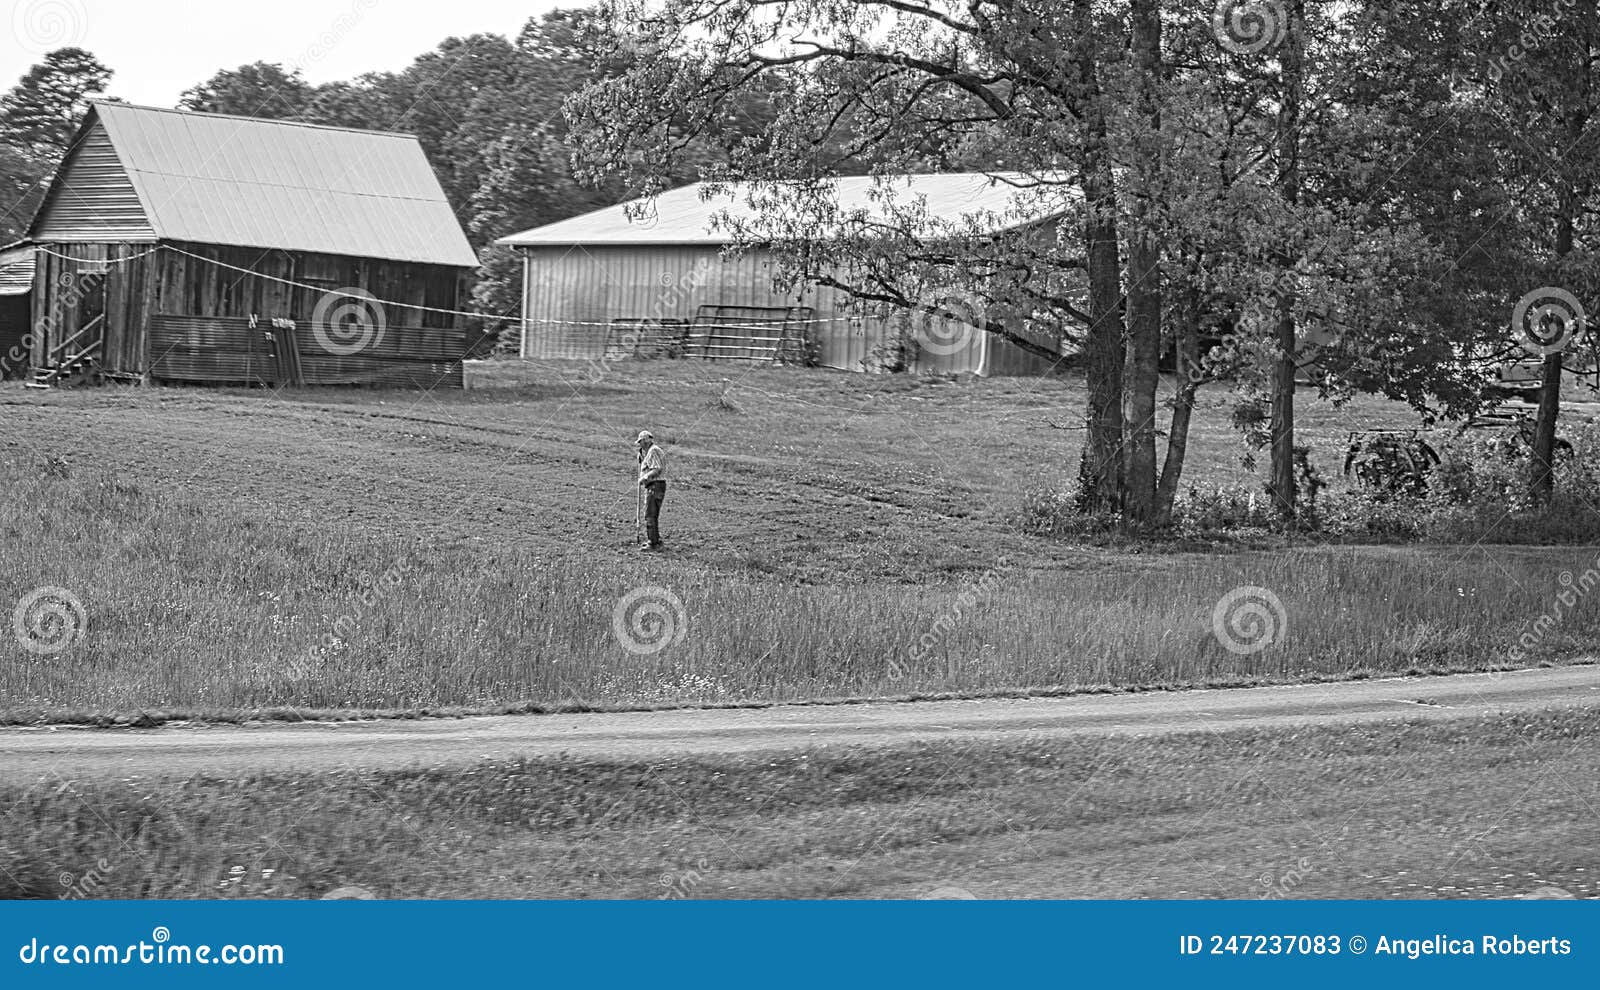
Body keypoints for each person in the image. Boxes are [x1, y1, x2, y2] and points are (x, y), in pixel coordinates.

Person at [636, 430, 667, 550]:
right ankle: (656, 540)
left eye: (641, 442)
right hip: (656, 485)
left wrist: (645, 477)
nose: (640, 445)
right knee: (652, 514)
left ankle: (653, 543)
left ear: (646, 440)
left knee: (650, 514)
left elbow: (657, 469)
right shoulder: (650, 451)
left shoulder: (653, 450)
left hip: (655, 485)